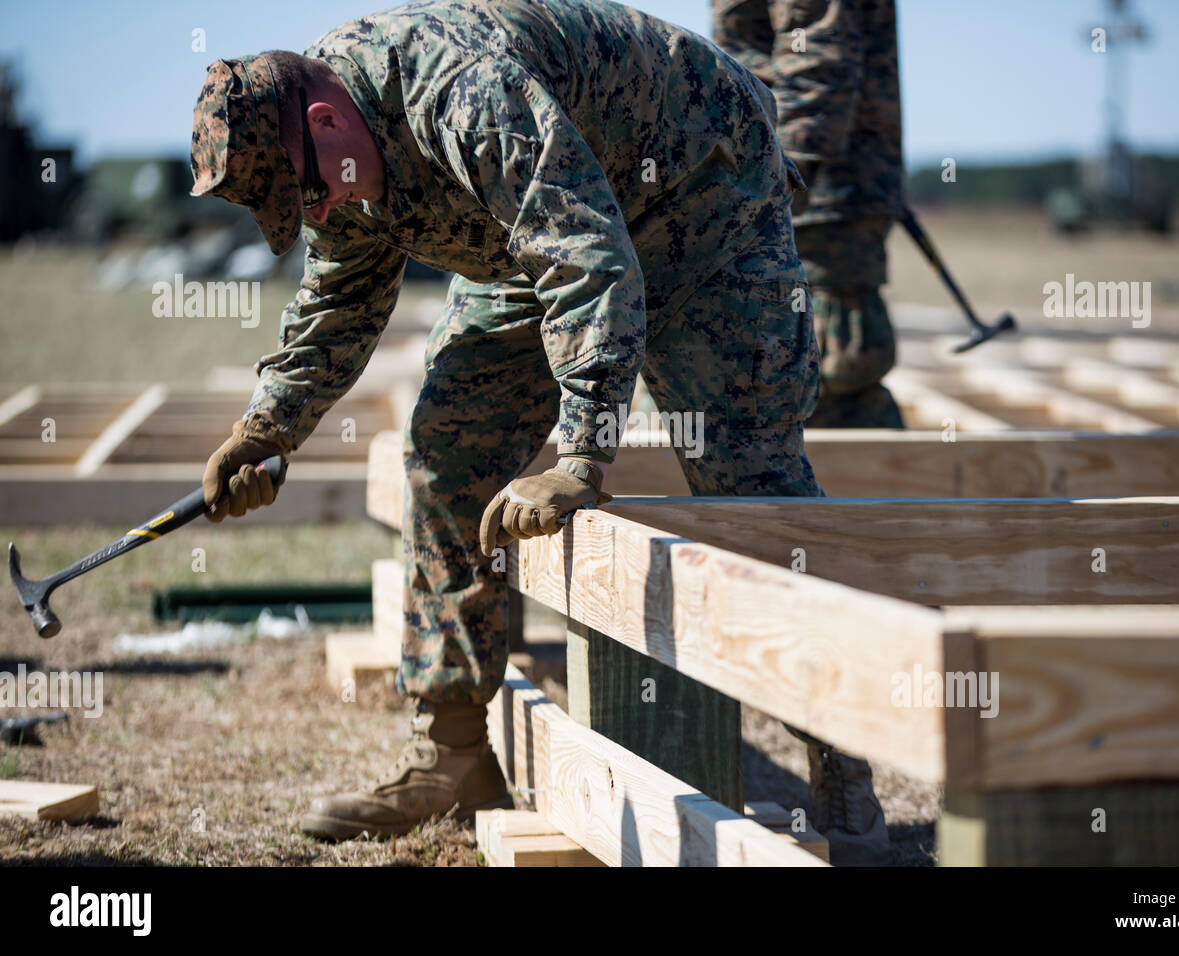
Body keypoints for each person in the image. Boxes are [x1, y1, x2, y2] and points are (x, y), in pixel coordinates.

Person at [192, 0, 881, 864]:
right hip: (536, 234)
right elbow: (337, 301)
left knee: (749, 479)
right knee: (447, 453)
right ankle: (453, 756)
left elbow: (586, 256)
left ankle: (841, 766)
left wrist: (582, 454)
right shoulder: (330, 151)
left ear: (325, 120)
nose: (320, 215)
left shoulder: (460, 91)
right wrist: (266, 429)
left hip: (699, 195)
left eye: (312, 193)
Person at [713, 0, 906, 429]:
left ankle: (871, 487)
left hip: (818, 198)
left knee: (834, 368)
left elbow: (816, 58)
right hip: (798, 183)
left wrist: (778, 182)